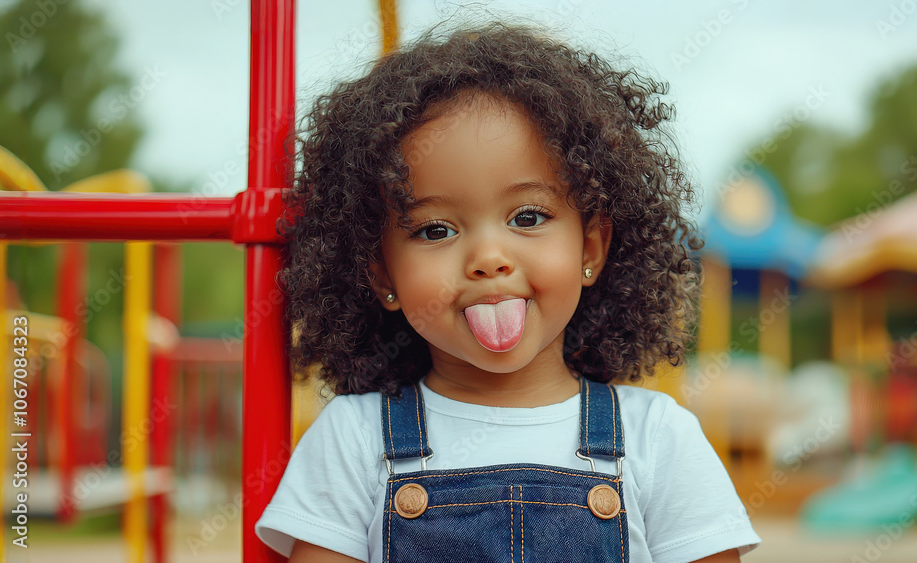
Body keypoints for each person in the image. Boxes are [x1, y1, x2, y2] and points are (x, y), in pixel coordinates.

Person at [255, 22, 761, 563]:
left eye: (527, 217)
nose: (488, 257)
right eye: (435, 230)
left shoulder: (656, 437)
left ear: (590, 249)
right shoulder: (354, 439)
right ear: (382, 275)